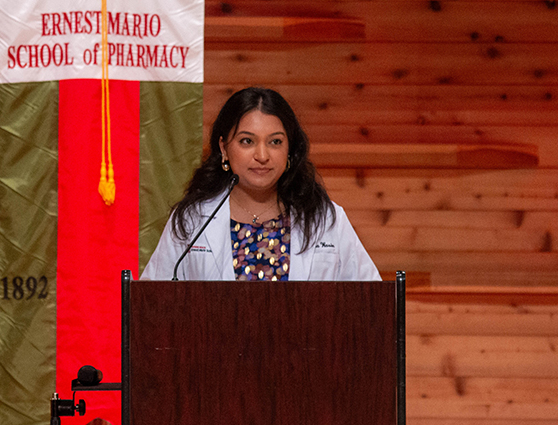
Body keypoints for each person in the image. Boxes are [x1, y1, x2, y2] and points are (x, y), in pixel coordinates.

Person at [141, 87, 379, 281]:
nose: (262, 155)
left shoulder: (325, 218)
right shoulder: (193, 219)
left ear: (290, 151)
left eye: (275, 142)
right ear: (224, 148)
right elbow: (152, 305)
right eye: (247, 141)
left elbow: (372, 304)